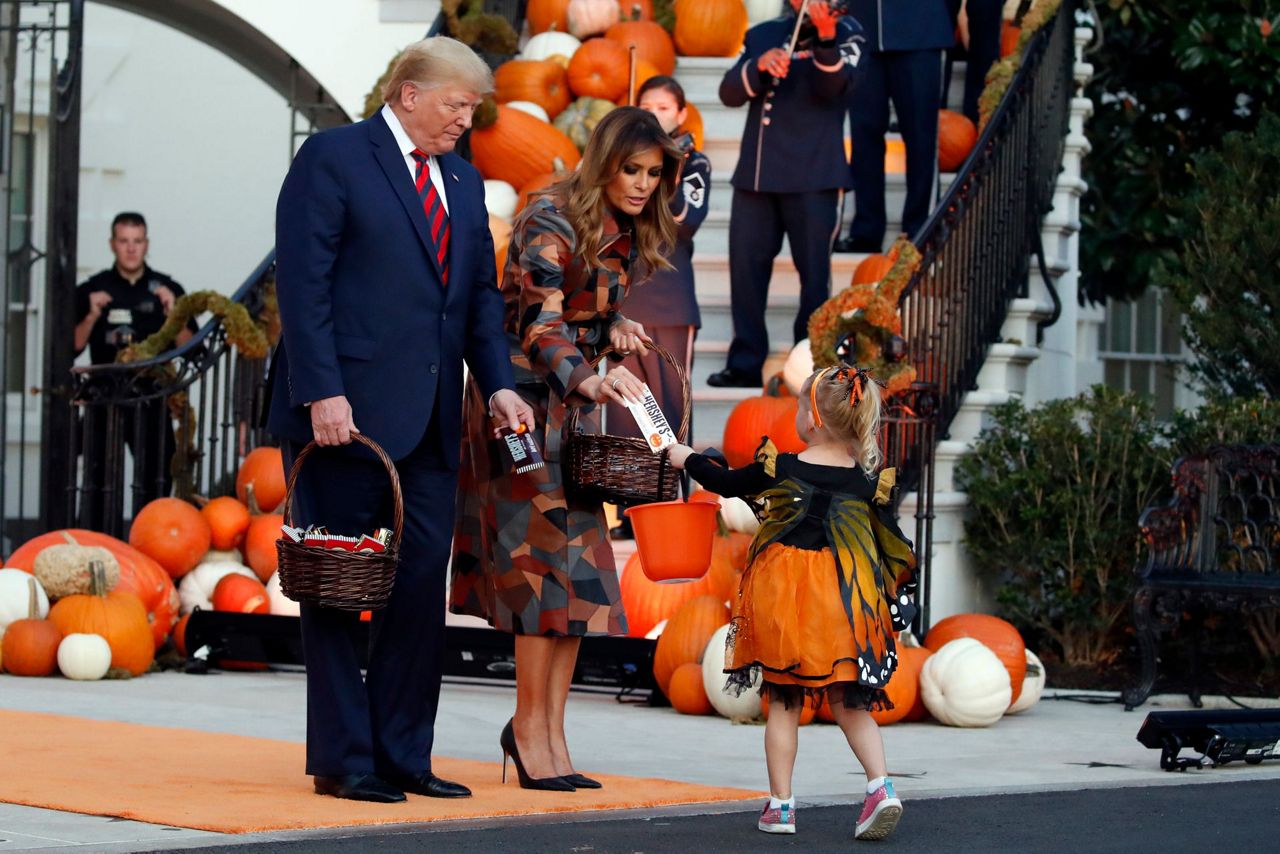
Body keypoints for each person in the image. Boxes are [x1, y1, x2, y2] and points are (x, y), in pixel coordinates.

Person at [265, 36, 533, 804]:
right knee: (338, 583)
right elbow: (304, 282)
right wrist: (321, 390)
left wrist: (499, 384)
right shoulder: (335, 158)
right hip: (341, 414)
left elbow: (478, 299)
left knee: (417, 589)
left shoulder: (463, 177)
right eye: (456, 106)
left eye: (473, 109)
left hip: (430, 418)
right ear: (409, 93)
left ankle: (403, 755)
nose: (464, 122)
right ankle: (345, 760)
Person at [451, 107, 682, 791]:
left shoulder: (624, 228)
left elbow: (585, 314)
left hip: (574, 412)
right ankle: (529, 731)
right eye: (632, 169)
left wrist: (617, 327)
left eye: (652, 173)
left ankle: (550, 732)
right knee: (535, 576)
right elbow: (538, 324)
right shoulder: (547, 216)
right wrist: (587, 373)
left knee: (578, 578)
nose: (642, 184)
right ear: (605, 160)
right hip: (519, 412)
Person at [668, 364, 918, 840]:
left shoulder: (780, 468)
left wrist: (688, 459)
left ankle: (781, 808)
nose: (798, 414)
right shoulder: (868, 486)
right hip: (843, 608)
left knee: (783, 704)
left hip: (785, 608)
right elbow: (889, 545)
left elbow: (727, 483)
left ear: (814, 420)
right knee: (851, 703)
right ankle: (881, 787)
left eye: (801, 406)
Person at [707, 0, 863, 389]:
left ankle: (808, 364)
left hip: (816, 176)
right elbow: (728, 92)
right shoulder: (762, 34)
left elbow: (836, 87)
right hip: (757, 177)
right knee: (746, 275)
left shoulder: (848, 32)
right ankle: (744, 362)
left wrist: (825, 37)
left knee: (815, 278)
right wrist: (758, 66)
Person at [604, 75, 711, 538]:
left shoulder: (693, 163)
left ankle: (670, 501)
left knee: (669, 406)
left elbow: (685, 221)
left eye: (665, 107)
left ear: (681, 115)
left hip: (669, 300)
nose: (658, 114)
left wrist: (658, 172)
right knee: (628, 409)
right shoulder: (623, 165)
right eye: (648, 106)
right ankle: (632, 507)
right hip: (625, 299)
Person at [73, 212, 195, 526]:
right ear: (113, 244)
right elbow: (70, 347)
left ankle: (148, 550)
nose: (131, 248)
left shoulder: (166, 288)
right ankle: (100, 543)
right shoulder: (93, 288)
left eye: (137, 241)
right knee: (98, 478)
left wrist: (173, 313)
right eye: (124, 241)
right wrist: (90, 314)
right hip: (104, 399)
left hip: (152, 398)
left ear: (146, 244)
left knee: (154, 478)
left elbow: (195, 349)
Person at [834, 0, 956, 253]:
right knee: (863, 135)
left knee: (921, 137)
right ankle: (866, 229)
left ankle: (921, 229)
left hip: (921, 31)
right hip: (864, 30)